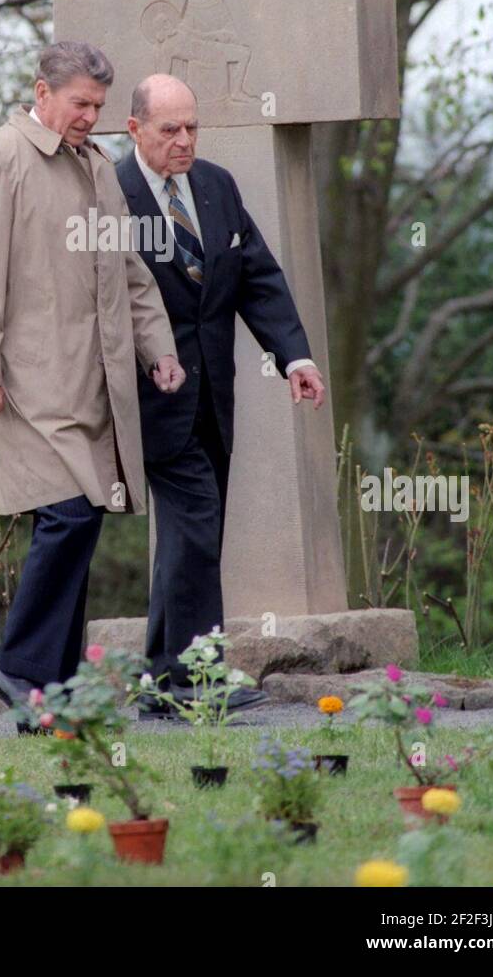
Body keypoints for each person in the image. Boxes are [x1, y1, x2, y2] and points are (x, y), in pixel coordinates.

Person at [0, 43, 184, 707]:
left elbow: (130, 272)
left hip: (96, 381)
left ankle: (50, 682)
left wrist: (157, 348)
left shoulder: (98, 168)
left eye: (99, 107)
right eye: (80, 104)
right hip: (28, 381)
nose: (90, 117)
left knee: (83, 515)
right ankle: (17, 666)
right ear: (41, 92)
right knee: (70, 512)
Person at [116, 74, 326, 718]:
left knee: (194, 533)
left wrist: (293, 354)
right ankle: (193, 679)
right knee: (196, 526)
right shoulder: (109, 195)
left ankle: (162, 679)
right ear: (134, 131)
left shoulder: (216, 186)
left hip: (214, 395)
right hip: (143, 397)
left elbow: (257, 276)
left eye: (192, 127)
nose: (184, 141)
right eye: (169, 130)